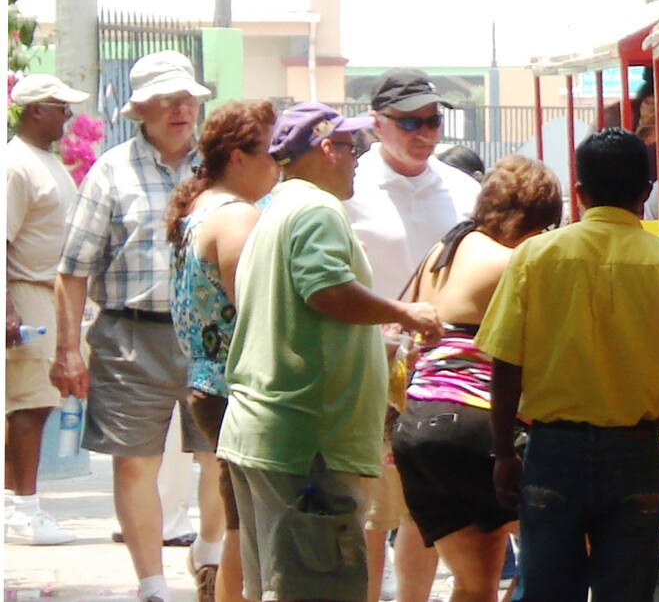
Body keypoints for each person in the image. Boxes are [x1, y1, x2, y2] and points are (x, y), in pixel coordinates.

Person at [478, 129, 659, 600]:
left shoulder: (535, 257)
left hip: (553, 453)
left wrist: (505, 453)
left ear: (579, 193)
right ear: (646, 192)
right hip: (635, 457)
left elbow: (505, 364)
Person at [216, 103, 442, 602]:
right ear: (324, 149)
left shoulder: (278, 208)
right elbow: (325, 289)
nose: (359, 157)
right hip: (306, 441)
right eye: (350, 146)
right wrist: (407, 314)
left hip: (271, 436)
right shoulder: (317, 209)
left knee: (275, 587)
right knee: (315, 589)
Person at [53, 51, 217, 602]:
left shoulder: (216, 169)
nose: (181, 109)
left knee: (223, 455)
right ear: (140, 109)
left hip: (211, 337)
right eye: (168, 100)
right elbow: (73, 271)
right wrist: (68, 350)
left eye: (188, 99)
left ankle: (212, 555)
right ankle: (152, 585)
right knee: (134, 462)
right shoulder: (110, 172)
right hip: (129, 335)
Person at [391, 157, 560, 602]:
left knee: (474, 583)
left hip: (416, 429)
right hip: (475, 421)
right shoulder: (516, 261)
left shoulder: (441, 252)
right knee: (569, 548)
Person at [344, 68, 479, 602]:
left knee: (429, 508)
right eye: (409, 123)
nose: (424, 134)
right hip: (369, 369)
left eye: (432, 121)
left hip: (445, 373)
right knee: (372, 511)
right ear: (376, 124)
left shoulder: (465, 191)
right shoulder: (347, 188)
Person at [166, 100, 281, 602]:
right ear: (238, 156)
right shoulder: (236, 216)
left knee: (241, 522)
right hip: (237, 387)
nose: (279, 165)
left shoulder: (202, 206)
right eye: (271, 152)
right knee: (247, 528)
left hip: (210, 383)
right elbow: (257, 312)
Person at [4, 74, 90, 547]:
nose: (68, 115)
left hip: (47, 290)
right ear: (35, 110)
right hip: (26, 290)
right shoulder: (16, 166)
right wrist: (8, 309)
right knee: (30, 404)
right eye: (60, 107)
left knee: (32, 403)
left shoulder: (45, 162)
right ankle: (24, 508)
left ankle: (12, 504)